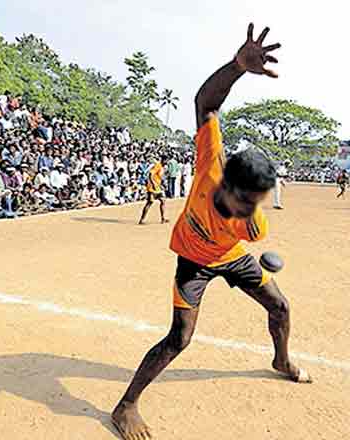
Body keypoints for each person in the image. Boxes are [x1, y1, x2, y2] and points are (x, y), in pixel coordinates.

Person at [112, 24, 309, 440]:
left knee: (281, 308)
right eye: (248, 197)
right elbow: (206, 103)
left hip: (230, 256)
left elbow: (248, 232)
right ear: (228, 182)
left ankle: (281, 360)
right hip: (193, 261)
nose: (253, 206)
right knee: (178, 339)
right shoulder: (211, 165)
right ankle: (126, 405)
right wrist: (237, 66)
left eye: (259, 198)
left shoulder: (253, 224)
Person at [137, 154, 168, 224]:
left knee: (163, 201)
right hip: (152, 187)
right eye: (166, 160)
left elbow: (159, 177)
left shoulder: (162, 167)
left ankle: (163, 218)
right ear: (163, 160)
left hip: (158, 187)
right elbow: (150, 174)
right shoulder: (158, 166)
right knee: (150, 202)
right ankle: (142, 219)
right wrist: (153, 183)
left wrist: (162, 184)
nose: (167, 162)